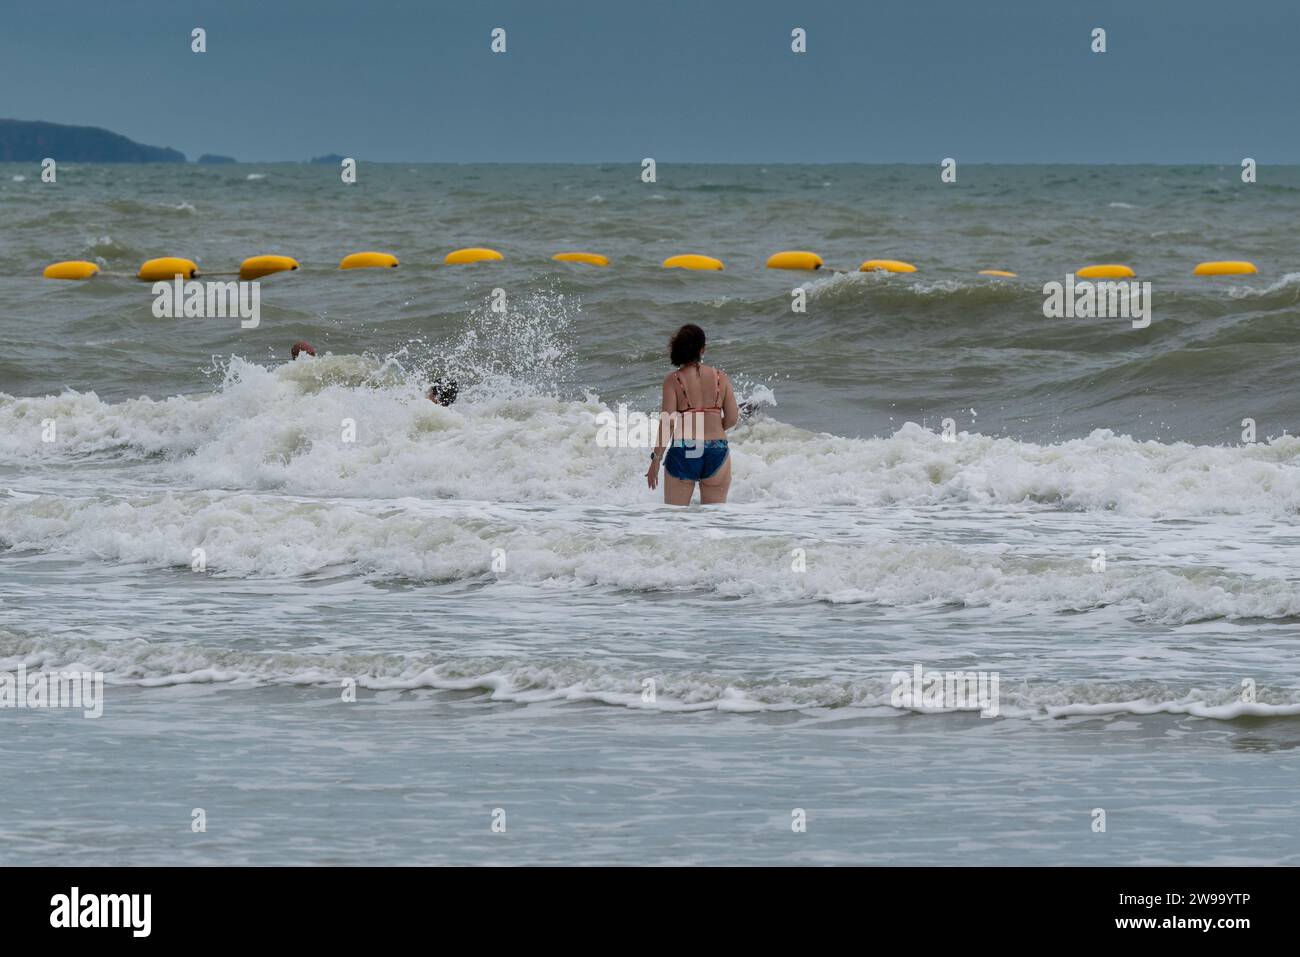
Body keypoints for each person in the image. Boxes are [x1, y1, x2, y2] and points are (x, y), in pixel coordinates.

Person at [647, 324, 739, 505]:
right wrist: (712, 428)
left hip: (685, 448)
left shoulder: (673, 380)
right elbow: (732, 418)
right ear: (702, 349)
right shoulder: (721, 377)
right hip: (717, 450)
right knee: (714, 521)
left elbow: (669, 424)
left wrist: (656, 460)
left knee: (676, 520)